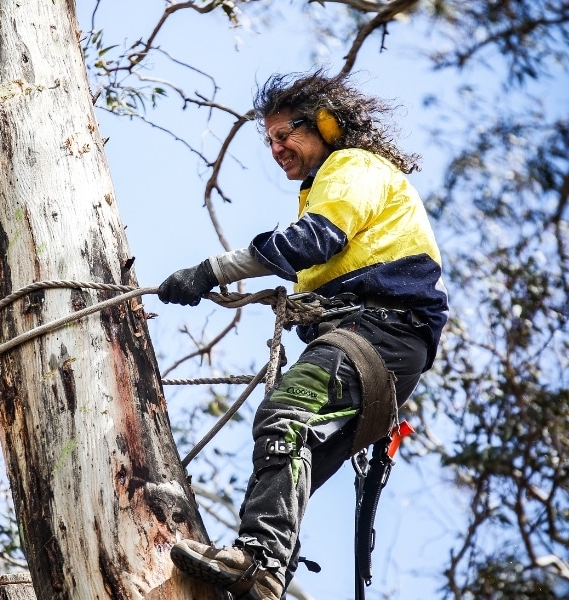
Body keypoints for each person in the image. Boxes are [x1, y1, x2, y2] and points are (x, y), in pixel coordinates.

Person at [157, 69, 449, 600]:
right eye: (268, 140)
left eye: (284, 134)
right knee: (296, 454)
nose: (276, 148)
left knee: (284, 415)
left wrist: (209, 272)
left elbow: (315, 240)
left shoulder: (351, 166)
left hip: (379, 329)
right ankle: (266, 579)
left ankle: (260, 561)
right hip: (383, 344)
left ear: (324, 124)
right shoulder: (325, 185)